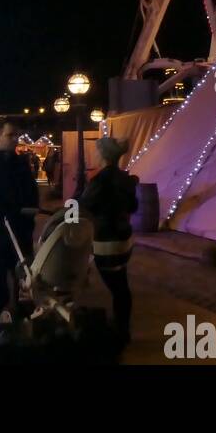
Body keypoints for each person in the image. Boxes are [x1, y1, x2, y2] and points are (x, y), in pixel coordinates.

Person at [0, 120, 39, 322]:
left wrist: (29, 213)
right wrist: (6, 208)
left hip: (21, 229)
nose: (15, 139)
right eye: (10, 135)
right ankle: (0, 315)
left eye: (16, 135)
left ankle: (22, 313)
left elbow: (31, 191)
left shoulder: (21, 162)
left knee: (23, 276)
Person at [79, 137, 138, 345]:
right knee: (121, 285)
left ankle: (121, 330)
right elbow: (133, 207)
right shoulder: (125, 178)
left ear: (103, 155)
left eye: (96, 151)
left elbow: (84, 206)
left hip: (106, 240)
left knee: (117, 287)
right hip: (124, 239)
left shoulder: (100, 180)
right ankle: (123, 327)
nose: (94, 154)